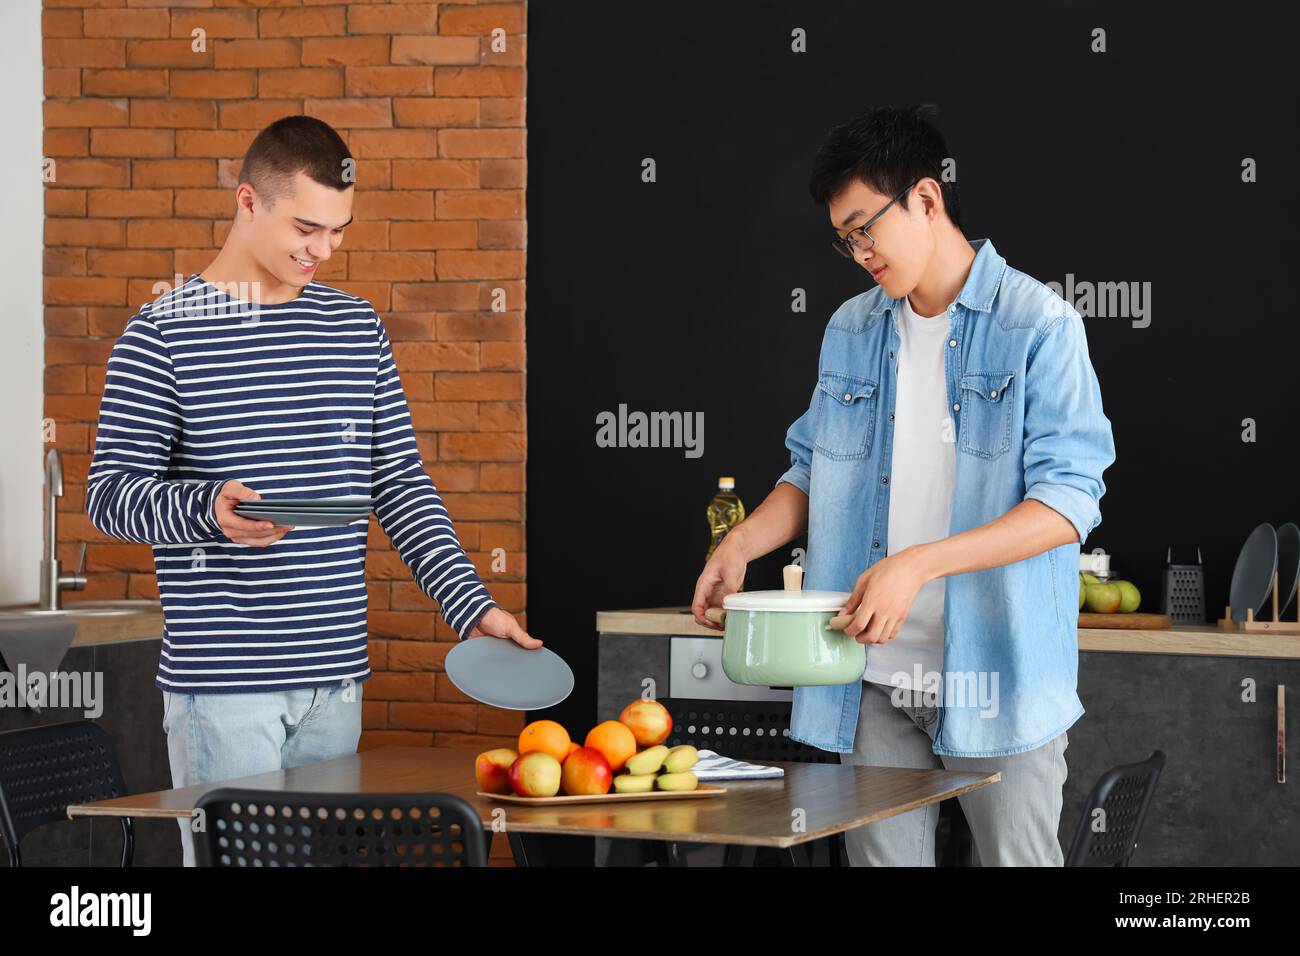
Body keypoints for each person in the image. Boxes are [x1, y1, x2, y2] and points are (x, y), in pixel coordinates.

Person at [85, 115, 538, 867]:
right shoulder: (161, 332)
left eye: (338, 231)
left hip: (334, 680)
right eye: (306, 226)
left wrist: (472, 606)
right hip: (225, 688)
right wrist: (207, 509)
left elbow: (397, 484)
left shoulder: (353, 327)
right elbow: (109, 494)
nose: (322, 250)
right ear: (247, 201)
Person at [691, 105, 1115, 866]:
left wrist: (917, 563)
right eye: (843, 238)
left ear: (926, 198)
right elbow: (814, 468)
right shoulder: (852, 330)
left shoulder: (1040, 325)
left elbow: (1067, 503)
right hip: (872, 680)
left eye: (865, 228)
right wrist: (742, 542)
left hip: (1000, 679)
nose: (857, 253)